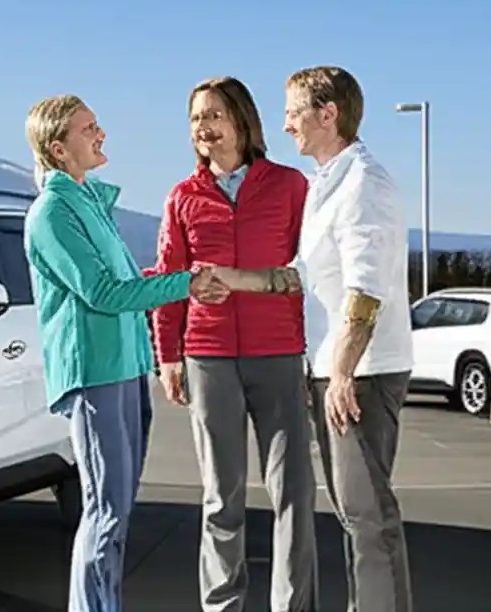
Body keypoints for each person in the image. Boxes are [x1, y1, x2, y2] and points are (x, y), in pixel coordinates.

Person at [21, 92, 301, 612]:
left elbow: (133, 281)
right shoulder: (53, 213)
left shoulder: (89, 203)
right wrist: (189, 287)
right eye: (89, 129)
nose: (100, 133)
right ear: (59, 149)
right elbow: (104, 294)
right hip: (93, 373)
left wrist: (176, 300)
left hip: (126, 370)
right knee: (105, 512)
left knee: (119, 511)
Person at [151, 76, 318, 612]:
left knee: (292, 491)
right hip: (208, 356)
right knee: (221, 497)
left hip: (279, 352)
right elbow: (169, 278)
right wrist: (169, 355)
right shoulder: (183, 197)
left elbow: (311, 269)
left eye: (214, 114)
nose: (203, 126)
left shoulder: (291, 186)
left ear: (243, 121)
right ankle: (223, 605)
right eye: (196, 117)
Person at [284, 65, 415, 612]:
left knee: (367, 515)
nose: (287, 123)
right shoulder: (327, 182)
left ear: (328, 113)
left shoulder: (364, 183)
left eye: (295, 111)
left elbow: (365, 291)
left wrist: (341, 374)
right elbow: (309, 275)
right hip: (333, 369)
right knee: (353, 512)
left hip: (361, 373)